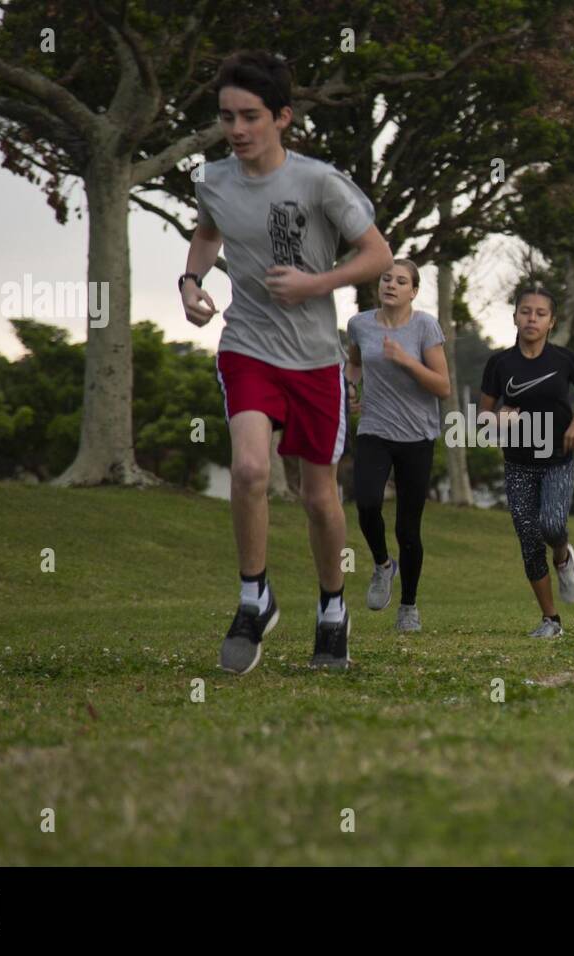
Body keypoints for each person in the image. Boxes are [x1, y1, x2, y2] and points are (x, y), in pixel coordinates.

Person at [180, 50, 393, 673]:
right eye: (227, 117)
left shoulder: (319, 182)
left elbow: (378, 255)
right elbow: (207, 232)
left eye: (250, 117)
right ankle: (254, 598)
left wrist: (315, 284)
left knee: (319, 498)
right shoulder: (214, 179)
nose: (237, 130)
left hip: (315, 361)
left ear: (282, 118)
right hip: (247, 346)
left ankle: (332, 610)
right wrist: (190, 283)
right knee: (248, 469)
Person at [479, 288, 574, 638]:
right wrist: (499, 420)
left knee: (550, 526)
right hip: (517, 463)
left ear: (552, 322)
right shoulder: (500, 364)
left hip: (558, 460)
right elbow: (484, 416)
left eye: (540, 314)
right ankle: (551, 620)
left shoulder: (564, 360)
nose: (532, 319)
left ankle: (563, 557)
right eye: (525, 312)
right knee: (529, 540)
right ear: (515, 317)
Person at [343, 260, 450, 632]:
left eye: (401, 281)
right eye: (386, 278)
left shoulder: (425, 327)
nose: (391, 284)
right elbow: (354, 364)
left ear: (413, 292)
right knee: (367, 502)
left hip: (418, 435)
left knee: (408, 527)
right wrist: (351, 386)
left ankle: (409, 606)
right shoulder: (360, 325)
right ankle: (382, 565)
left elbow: (443, 387)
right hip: (375, 427)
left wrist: (406, 360)